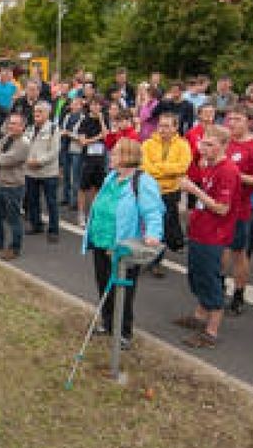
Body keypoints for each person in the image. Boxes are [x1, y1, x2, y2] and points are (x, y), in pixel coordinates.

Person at [83, 138, 164, 348]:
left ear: (128, 157)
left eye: (116, 153)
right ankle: (108, 323)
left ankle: (124, 332)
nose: (111, 155)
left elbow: (154, 211)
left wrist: (154, 234)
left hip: (123, 247)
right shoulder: (112, 176)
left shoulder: (143, 181)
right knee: (104, 285)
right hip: (101, 241)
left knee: (123, 291)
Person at [175, 125, 241, 348]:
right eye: (203, 143)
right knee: (197, 275)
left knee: (210, 279)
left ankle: (211, 331)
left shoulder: (228, 170)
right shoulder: (208, 166)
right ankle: (199, 315)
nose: (204, 148)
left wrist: (193, 190)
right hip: (200, 229)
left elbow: (222, 208)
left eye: (210, 144)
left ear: (224, 146)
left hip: (214, 235)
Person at [221, 105, 253, 316]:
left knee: (239, 252)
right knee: (220, 249)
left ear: (249, 122)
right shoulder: (225, 142)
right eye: (230, 119)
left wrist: (235, 174)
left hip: (240, 208)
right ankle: (219, 287)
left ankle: (239, 293)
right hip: (220, 205)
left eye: (237, 119)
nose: (232, 123)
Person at [140, 111, 191, 256]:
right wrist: (168, 169)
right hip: (150, 190)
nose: (162, 129)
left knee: (167, 220)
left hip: (170, 191)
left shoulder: (183, 145)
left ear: (175, 128)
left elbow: (182, 167)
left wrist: (158, 168)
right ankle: (153, 252)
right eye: (160, 125)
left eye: (167, 126)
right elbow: (144, 167)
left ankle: (164, 250)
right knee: (152, 222)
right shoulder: (147, 144)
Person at [0, 113, 30, 260]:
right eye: (10, 123)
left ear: (23, 127)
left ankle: (14, 248)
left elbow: (7, 160)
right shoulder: (6, 139)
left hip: (14, 186)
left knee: (13, 218)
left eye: (16, 124)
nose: (11, 126)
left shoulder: (24, 143)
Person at [24, 101, 61, 242]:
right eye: (35, 112)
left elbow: (54, 151)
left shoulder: (53, 129)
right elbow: (25, 145)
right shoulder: (30, 129)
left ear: (47, 113)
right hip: (31, 172)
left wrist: (39, 162)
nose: (36, 114)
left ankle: (53, 230)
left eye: (40, 112)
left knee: (51, 201)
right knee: (33, 200)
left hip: (48, 172)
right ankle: (36, 224)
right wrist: (28, 161)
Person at [76, 97, 107, 226]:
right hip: (87, 158)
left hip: (100, 158)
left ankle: (93, 214)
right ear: (90, 106)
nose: (96, 107)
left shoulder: (103, 120)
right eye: (93, 104)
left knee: (97, 187)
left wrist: (101, 119)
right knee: (83, 188)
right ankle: (81, 214)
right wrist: (97, 138)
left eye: (98, 105)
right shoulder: (84, 121)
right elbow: (82, 141)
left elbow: (106, 135)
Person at [59, 95, 86, 211]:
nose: (73, 106)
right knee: (66, 174)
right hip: (65, 147)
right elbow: (62, 129)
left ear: (81, 106)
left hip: (76, 149)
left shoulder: (83, 118)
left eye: (76, 104)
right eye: (72, 104)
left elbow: (81, 136)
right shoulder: (67, 116)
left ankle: (74, 201)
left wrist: (68, 133)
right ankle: (66, 197)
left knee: (75, 176)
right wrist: (64, 132)